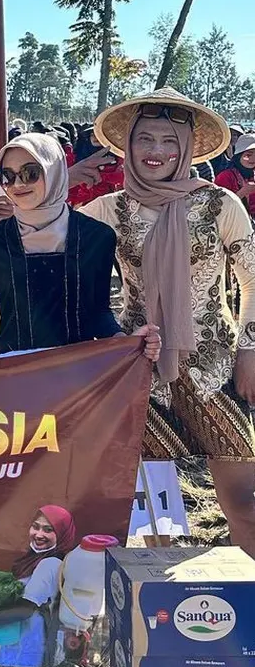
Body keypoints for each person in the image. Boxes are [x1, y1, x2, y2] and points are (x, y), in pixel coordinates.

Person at [82, 90, 255, 555]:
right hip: (140, 371)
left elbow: (252, 279)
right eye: (145, 139)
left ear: (187, 148)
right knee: (151, 513)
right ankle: (154, 595)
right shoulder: (108, 210)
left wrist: (249, 351)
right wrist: (62, 180)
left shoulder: (219, 205)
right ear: (128, 145)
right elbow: (50, 234)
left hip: (215, 372)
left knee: (244, 504)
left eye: (169, 140)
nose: (155, 150)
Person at [0, 132, 161, 361]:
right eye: (7, 176)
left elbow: (97, 312)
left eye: (30, 173)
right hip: (12, 373)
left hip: (77, 373)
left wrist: (122, 340)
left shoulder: (96, 237)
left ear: (54, 171)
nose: (18, 184)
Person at [0, 505, 78, 667]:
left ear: (62, 534)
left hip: (30, 646)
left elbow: (25, 609)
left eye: (48, 530)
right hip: (19, 640)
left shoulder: (49, 564)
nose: (39, 534)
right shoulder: (34, 560)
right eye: (35, 527)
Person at [215, 131, 255, 223]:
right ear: (239, 156)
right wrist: (241, 193)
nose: (253, 159)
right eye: (248, 155)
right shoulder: (225, 176)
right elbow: (218, 208)